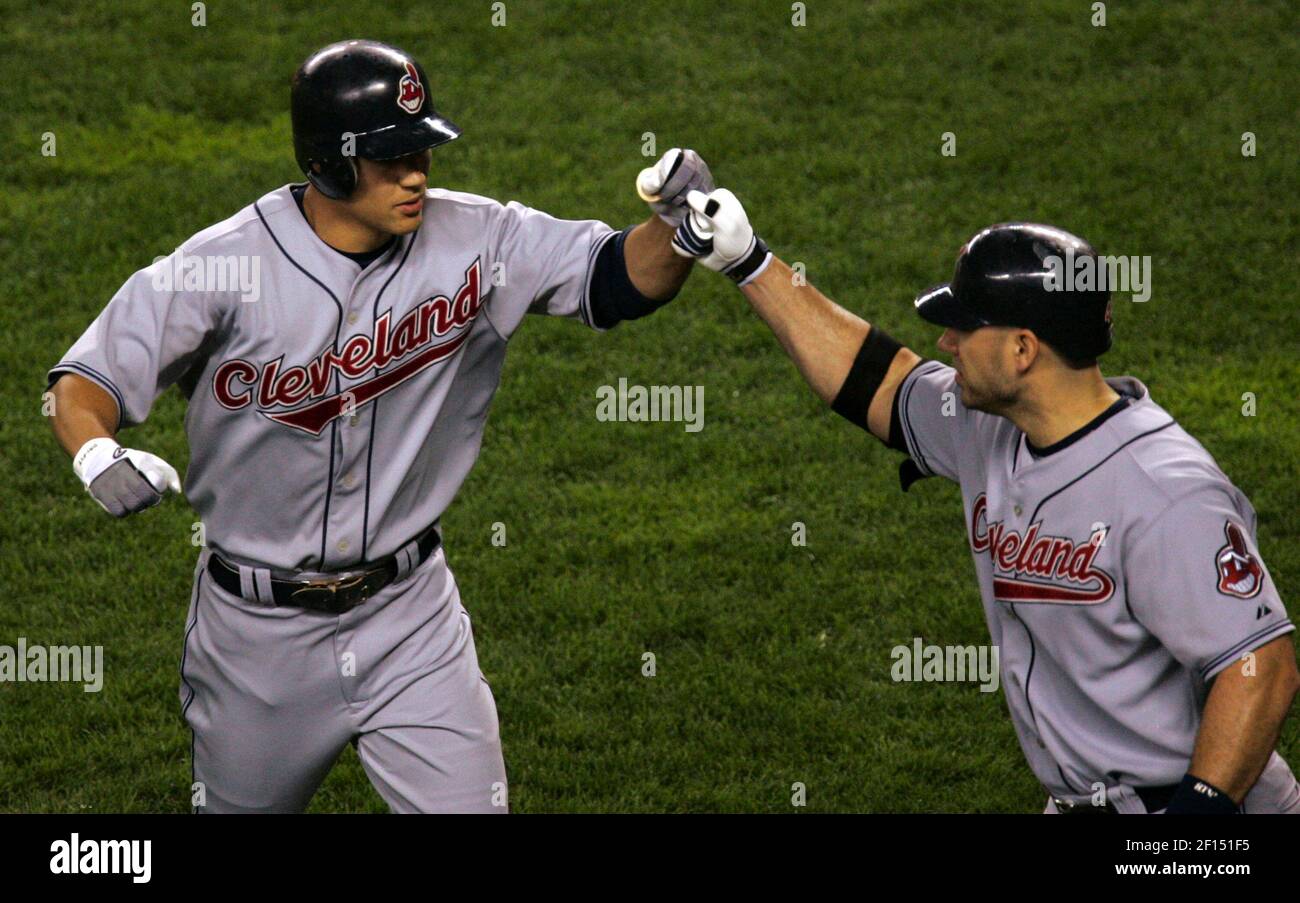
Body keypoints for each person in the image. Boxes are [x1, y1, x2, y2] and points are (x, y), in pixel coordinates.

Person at [45, 39, 713, 813]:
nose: (417, 173)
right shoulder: (222, 266)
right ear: (329, 165)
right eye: (393, 158)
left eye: (422, 150)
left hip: (411, 618)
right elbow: (84, 377)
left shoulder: (478, 239)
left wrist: (677, 226)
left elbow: (619, 278)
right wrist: (95, 450)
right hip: (256, 643)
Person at [668, 188, 1300, 813]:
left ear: (1023, 349)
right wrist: (749, 262)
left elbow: (1261, 667)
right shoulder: (991, 427)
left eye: (965, 327)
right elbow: (875, 380)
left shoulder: (1165, 491)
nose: (946, 343)